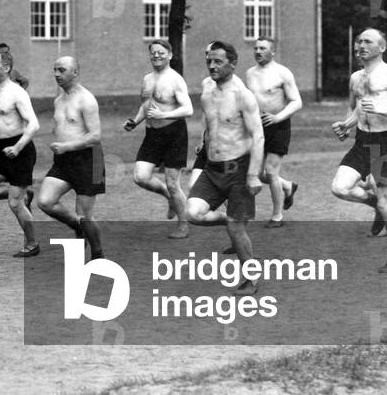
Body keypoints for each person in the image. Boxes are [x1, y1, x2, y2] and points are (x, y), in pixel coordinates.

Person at [331, 28, 387, 273]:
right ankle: (372, 202)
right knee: (339, 187)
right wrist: (345, 126)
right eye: (359, 41)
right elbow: (356, 108)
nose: (361, 45)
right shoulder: (356, 77)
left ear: (382, 47)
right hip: (362, 142)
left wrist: (379, 110)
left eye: (368, 41)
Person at [186, 41, 265, 295]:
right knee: (193, 213)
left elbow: (258, 136)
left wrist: (253, 174)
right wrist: (202, 148)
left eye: (218, 61)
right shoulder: (207, 94)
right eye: (209, 60)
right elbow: (210, 127)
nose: (212, 65)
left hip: (239, 170)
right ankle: (229, 221)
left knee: (236, 228)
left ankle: (251, 278)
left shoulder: (243, 95)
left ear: (233, 63)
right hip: (212, 168)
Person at [36, 56, 106, 259]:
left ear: (75, 72)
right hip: (64, 160)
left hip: (89, 159)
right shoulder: (58, 100)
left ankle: (98, 255)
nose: (57, 74)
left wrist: (66, 145)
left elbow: (95, 135)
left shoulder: (87, 99)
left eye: (62, 70)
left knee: (85, 216)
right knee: (45, 201)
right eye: (55, 70)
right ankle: (76, 226)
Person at [124, 40, 193, 239]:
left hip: (174, 134)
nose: (157, 56)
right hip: (152, 135)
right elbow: (146, 105)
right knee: (140, 177)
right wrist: (135, 121)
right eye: (153, 53)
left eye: (161, 52)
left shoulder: (175, 79)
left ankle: (183, 224)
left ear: (170, 55)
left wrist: (163, 115)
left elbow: (188, 109)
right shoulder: (147, 79)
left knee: (173, 183)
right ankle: (169, 197)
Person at [0, 51, 41, 257]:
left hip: (20, 151)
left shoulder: (17, 93)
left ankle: (32, 244)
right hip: (0, 151)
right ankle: (24, 193)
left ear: (7, 68)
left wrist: (17, 147)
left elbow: (34, 125)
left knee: (15, 203)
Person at [244, 37, 303, 227]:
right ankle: (287, 186)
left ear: (273, 52)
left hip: (279, 125)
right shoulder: (250, 73)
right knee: (256, 172)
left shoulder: (283, 73)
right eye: (256, 48)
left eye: (263, 48)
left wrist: (279, 117)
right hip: (257, 127)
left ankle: (277, 216)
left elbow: (297, 101)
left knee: (270, 171)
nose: (258, 51)